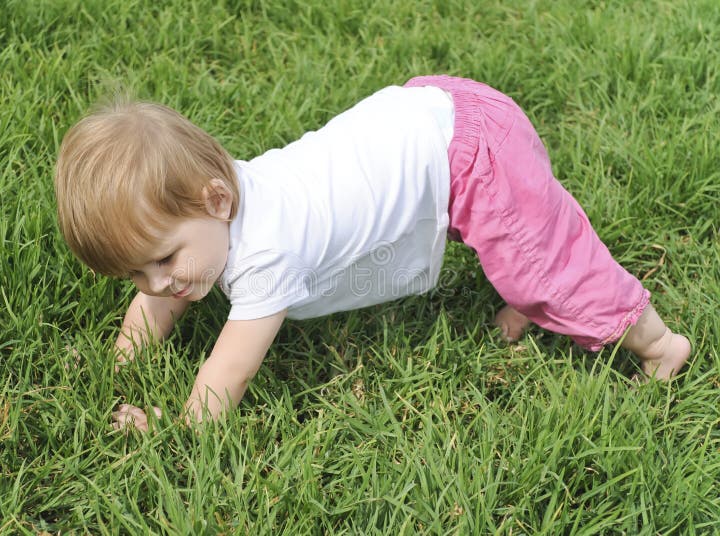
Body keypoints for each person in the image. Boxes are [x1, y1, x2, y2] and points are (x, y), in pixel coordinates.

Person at [54, 75, 691, 432]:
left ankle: (662, 348)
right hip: (432, 110)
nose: (157, 285)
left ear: (216, 200)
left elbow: (229, 376)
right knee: (523, 254)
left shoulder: (265, 254)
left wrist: (171, 425)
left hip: (468, 153)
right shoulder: (207, 213)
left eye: (163, 261)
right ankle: (523, 299)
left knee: (549, 264)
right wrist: (123, 356)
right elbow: (157, 295)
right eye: (136, 271)